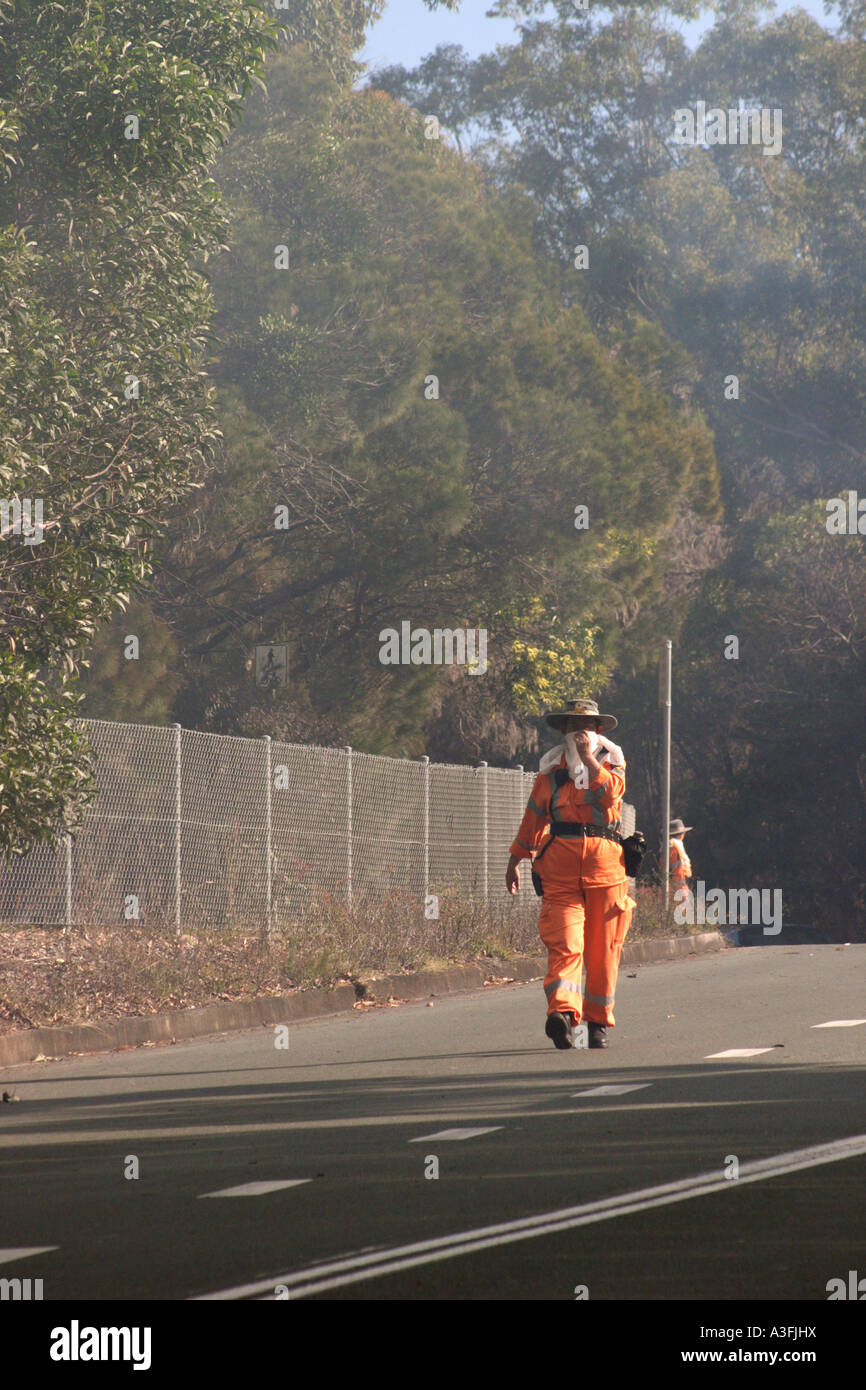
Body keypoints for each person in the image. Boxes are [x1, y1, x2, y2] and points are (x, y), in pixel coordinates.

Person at [506, 697, 635, 1050]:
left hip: (606, 870)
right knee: (565, 943)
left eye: (588, 728)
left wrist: (591, 760)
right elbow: (533, 818)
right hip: (560, 871)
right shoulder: (550, 772)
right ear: (563, 732)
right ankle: (562, 1014)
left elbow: (609, 797)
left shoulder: (613, 764)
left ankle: (596, 1024)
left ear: (598, 732)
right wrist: (516, 858)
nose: (581, 734)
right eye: (573, 727)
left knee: (603, 950)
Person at [668, 817, 693, 913]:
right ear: (682, 834)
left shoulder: (672, 845)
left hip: (676, 884)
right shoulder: (675, 846)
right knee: (682, 914)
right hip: (679, 885)